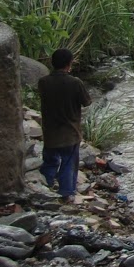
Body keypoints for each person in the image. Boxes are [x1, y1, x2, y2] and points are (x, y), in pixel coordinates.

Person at [38, 48, 91, 202]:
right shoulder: (75, 82)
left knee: (50, 161)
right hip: (70, 133)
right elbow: (86, 102)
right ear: (69, 64)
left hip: (50, 133)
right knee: (69, 164)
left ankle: (45, 186)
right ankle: (66, 193)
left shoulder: (44, 82)